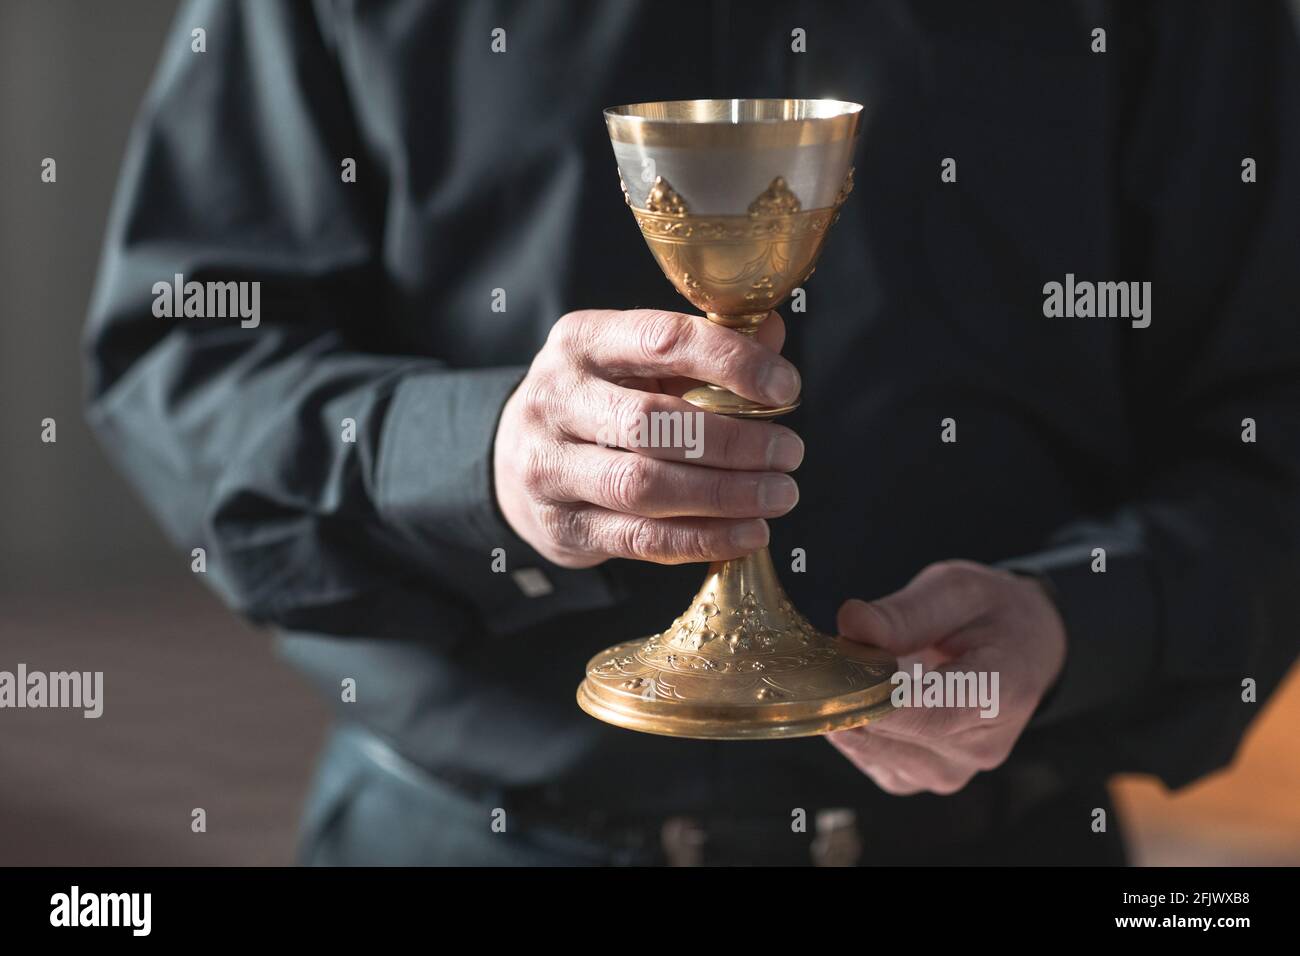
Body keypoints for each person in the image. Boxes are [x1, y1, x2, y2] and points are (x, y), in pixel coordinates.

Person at [85, 0, 1300, 865]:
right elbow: (188, 351)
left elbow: (1272, 414)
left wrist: (1075, 619)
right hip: (462, 832)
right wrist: (478, 457)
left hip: (997, 832)